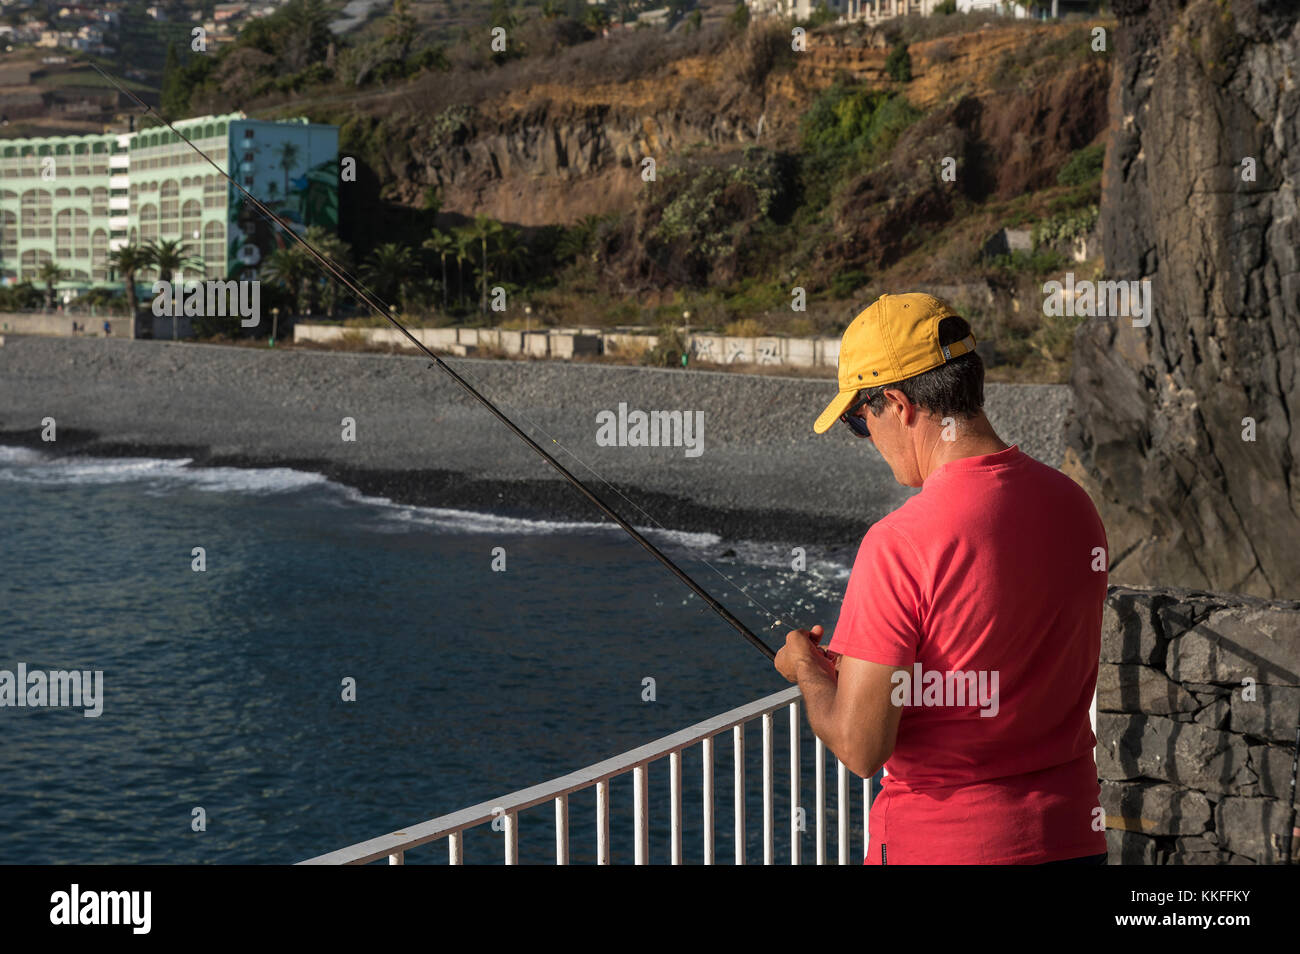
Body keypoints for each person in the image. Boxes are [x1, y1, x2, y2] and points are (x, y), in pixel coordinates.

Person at [774, 292, 1109, 865]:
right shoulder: (1074, 505)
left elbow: (860, 747)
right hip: (1073, 834)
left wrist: (806, 666)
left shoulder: (899, 543)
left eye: (860, 420)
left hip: (950, 844)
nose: (867, 438)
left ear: (899, 405)